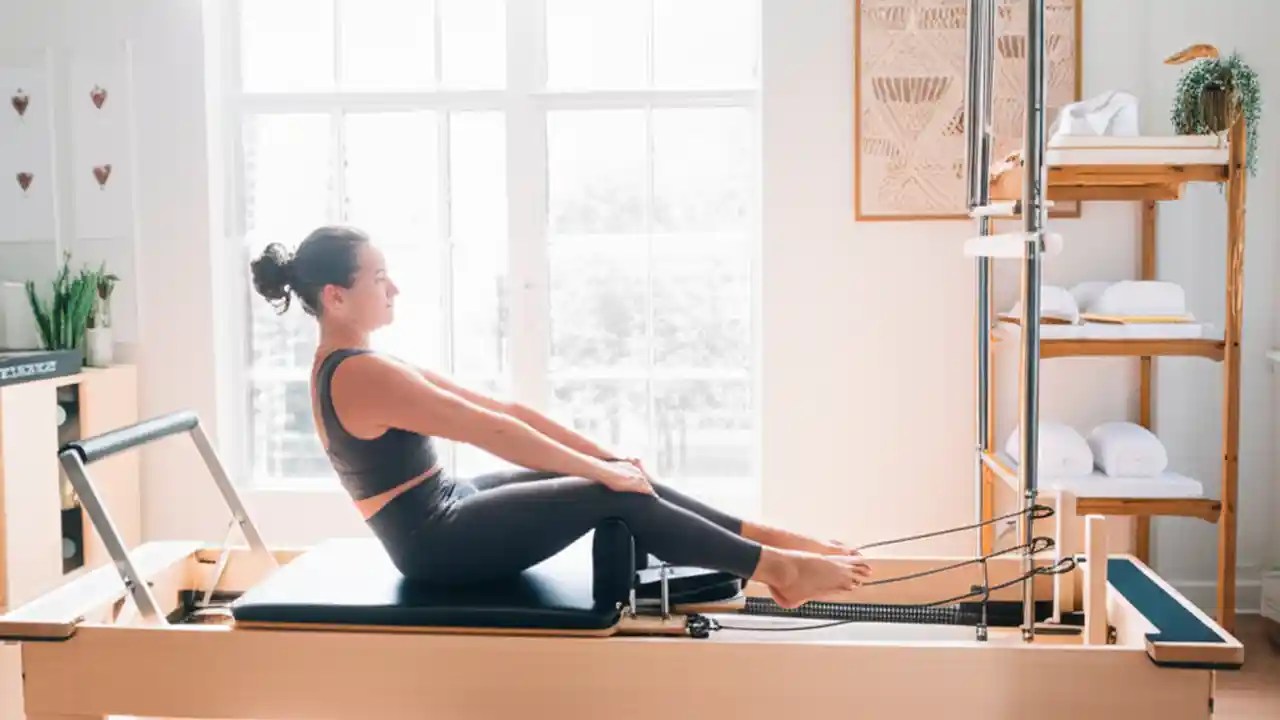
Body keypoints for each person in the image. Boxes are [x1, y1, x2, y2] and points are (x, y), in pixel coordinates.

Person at [249, 225, 871, 608]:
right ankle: (781, 569)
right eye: (380, 278)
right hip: (434, 543)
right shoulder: (359, 375)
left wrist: (605, 458)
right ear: (336, 296)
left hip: (445, 508)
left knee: (617, 476)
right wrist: (601, 473)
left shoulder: (361, 362)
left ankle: (771, 540)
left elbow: (503, 410)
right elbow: (491, 433)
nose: (394, 289)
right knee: (614, 493)